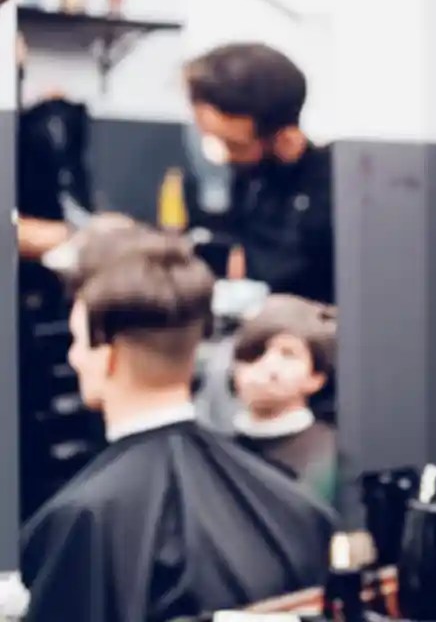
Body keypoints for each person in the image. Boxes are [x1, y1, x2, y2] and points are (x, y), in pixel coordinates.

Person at [20, 227, 336, 622]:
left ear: (109, 356)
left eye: (78, 341)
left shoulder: (84, 520)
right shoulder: (296, 505)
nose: (73, 356)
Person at [182, 42, 334, 305]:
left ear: (284, 138)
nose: (224, 156)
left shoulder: (330, 191)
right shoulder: (247, 176)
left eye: (234, 145)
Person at [232, 293, 340, 508]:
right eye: (255, 352)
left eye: (288, 354)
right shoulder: (208, 450)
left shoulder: (333, 460)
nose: (268, 366)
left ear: (316, 377)